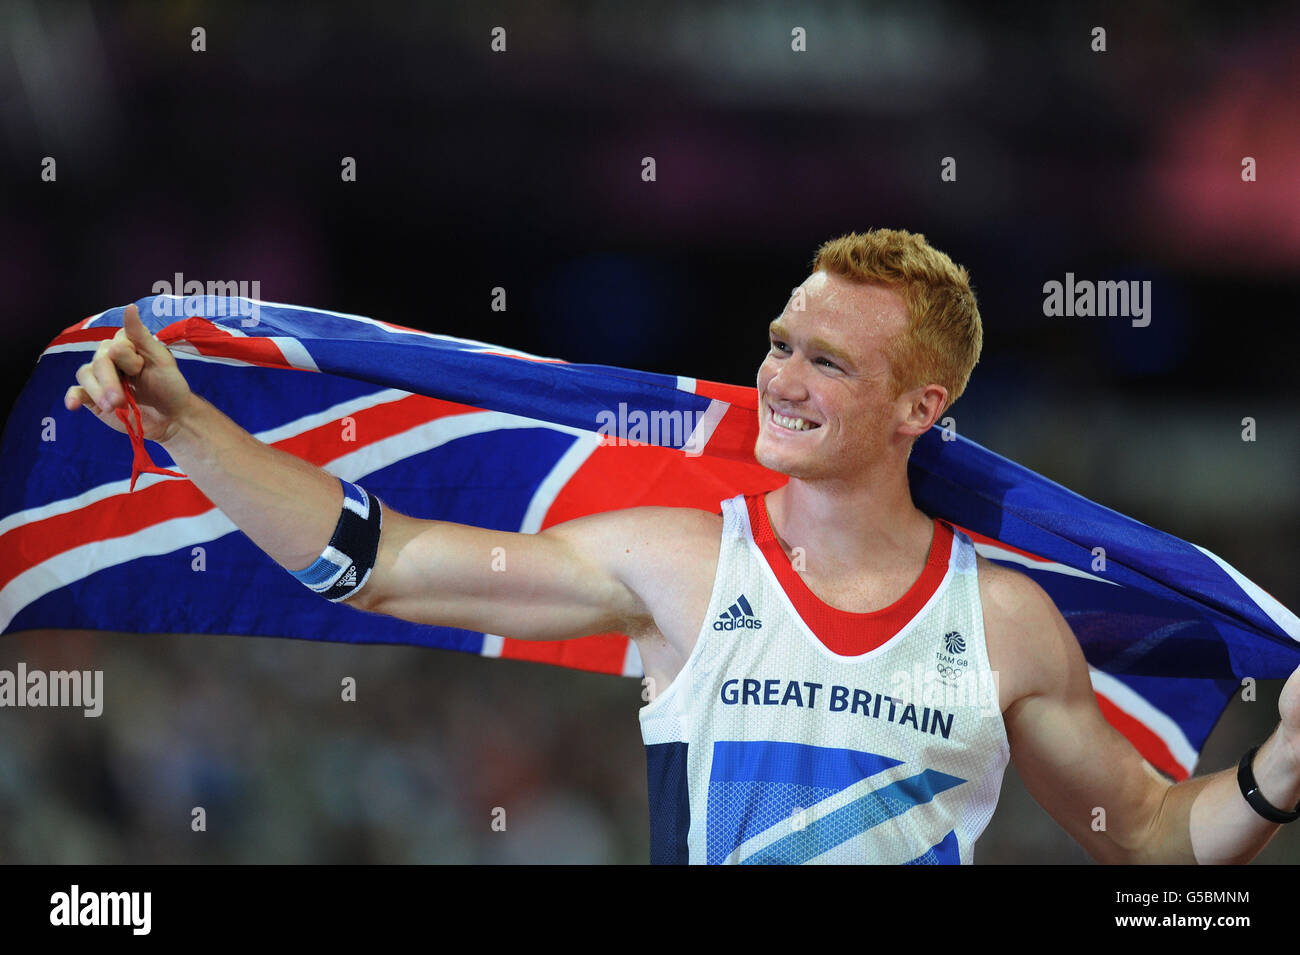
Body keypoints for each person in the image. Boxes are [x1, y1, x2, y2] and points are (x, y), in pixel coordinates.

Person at [64, 228, 1300, 864]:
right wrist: (187, 423)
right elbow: (382, 561)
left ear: (921, 409)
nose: (777, 376)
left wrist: (1276, 776)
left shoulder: (1004, 623)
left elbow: (1142, 841)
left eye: (826, 361)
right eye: (777, 342)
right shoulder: (680, 564)